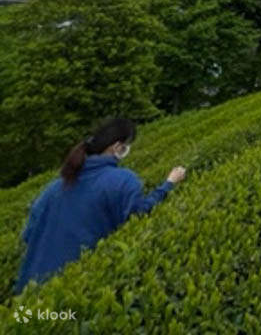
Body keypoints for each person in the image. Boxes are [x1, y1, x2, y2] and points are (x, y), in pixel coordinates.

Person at [15, 117, 186, 294]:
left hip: (28, 291)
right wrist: (169, 184)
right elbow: (139, 215)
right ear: (117, 146)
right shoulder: (123, 180)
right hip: (72, 290)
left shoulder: (54, 187)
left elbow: (28, 235)